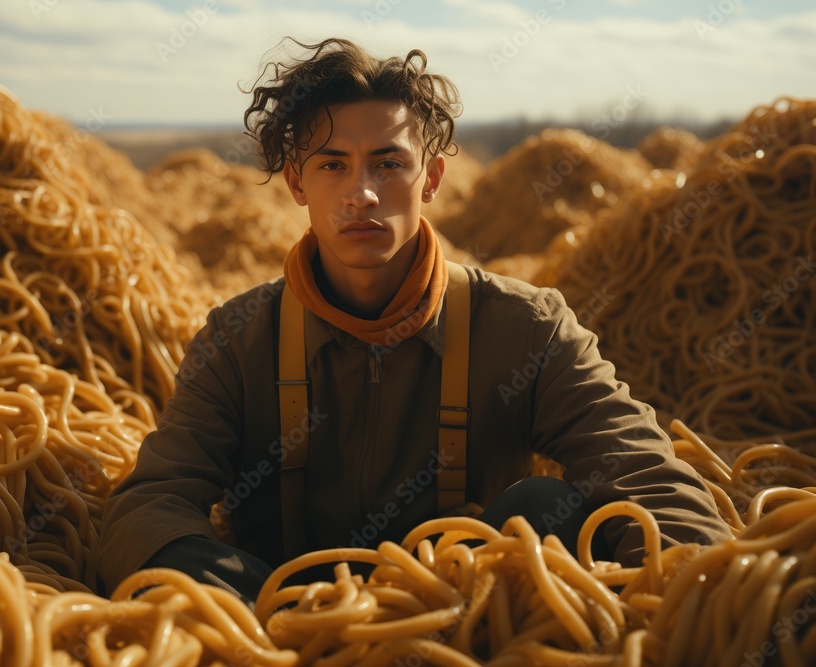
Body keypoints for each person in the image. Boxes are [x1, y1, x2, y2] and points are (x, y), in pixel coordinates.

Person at [95, 37, 732, 603]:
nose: (361, 192)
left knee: (549, 506)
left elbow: (641, 467)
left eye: (389, 163)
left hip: (475, 619)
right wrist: (271, 614)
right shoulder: (238, 339)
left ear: (431, 178)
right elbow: (150, 503)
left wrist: (709, 597)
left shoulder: (526, 327)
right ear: (296, 182)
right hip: (278, 627)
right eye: (332, 164)